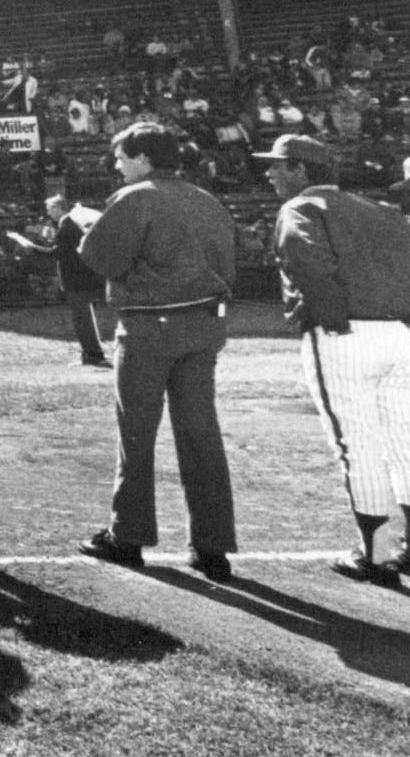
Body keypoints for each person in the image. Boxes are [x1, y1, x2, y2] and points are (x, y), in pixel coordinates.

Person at [76, 122, 239, 580]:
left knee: (137, 433)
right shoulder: (206, 199)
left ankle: (127, 537)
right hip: (204, 324)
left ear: (144, 158)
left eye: (123, 157)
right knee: (201, 433)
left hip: (150, 326)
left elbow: (101, 258)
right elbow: (228, 266)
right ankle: (212, 548)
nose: (117, 165)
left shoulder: (136, 196)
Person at [256, 134, 410, 583]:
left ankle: (376, 555)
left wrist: (333, 319)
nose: (269, 173)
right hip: (400, 335)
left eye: (278, 165)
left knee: (357, 446)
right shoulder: (380, 210)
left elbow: (309, 264)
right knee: (406, 444)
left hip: (342, 335)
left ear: (301, 170)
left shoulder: (301, 208)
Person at [13, 195, 110, 366]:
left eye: (50, 208)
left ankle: (93, 354)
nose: (48, 212)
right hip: (81, 275)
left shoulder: (67, 225)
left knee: (82, 318)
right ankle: (92, 353)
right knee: (84, 316)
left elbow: (55, 252)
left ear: (58, 208)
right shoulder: (70, 223)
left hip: (76, 277)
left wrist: (32, 248)